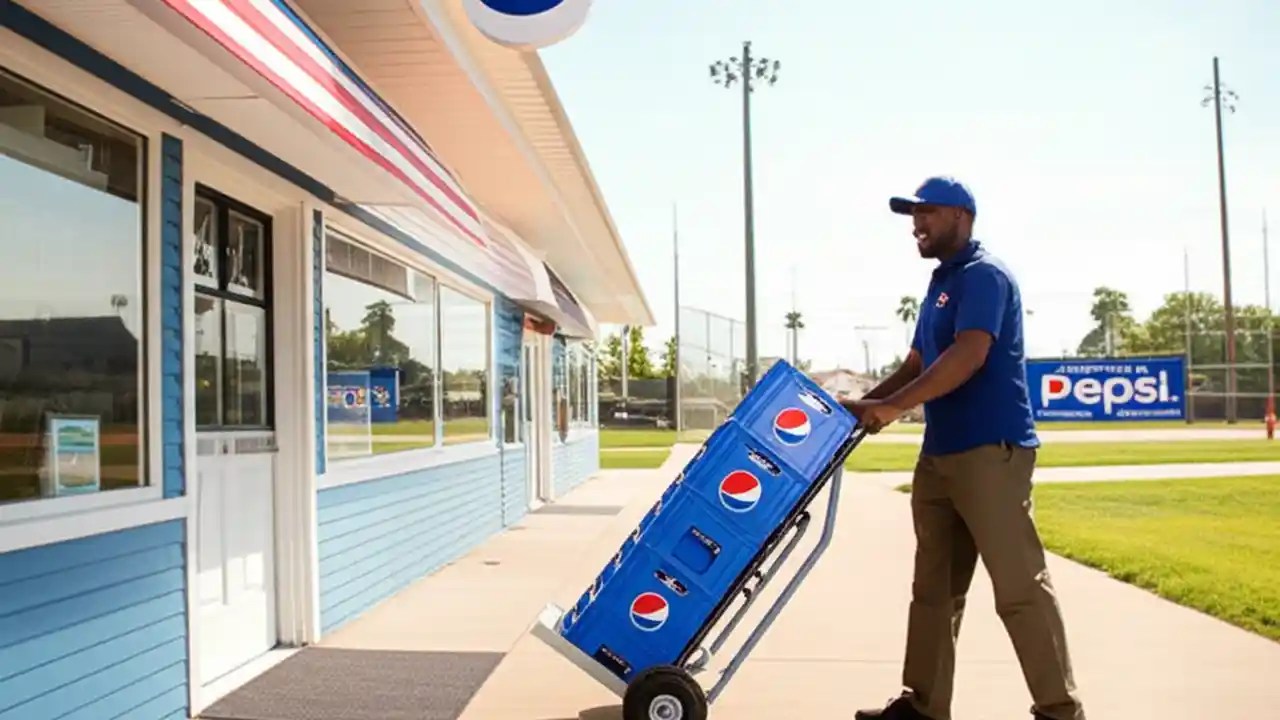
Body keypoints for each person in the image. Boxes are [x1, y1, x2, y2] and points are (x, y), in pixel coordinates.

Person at [843, 176, 1086, 720]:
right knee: (932, 590)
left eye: (927, 213)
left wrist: (895, 407)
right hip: (940, 455)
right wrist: (861, 406)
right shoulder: (940, 285)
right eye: (913, 214)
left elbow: (969, 354)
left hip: (990, 452)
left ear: (961, 216)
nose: (916, 224)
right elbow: (915, 365)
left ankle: (1059, 710)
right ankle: (924, 706)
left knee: (1019, 588)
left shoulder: (986, 277)